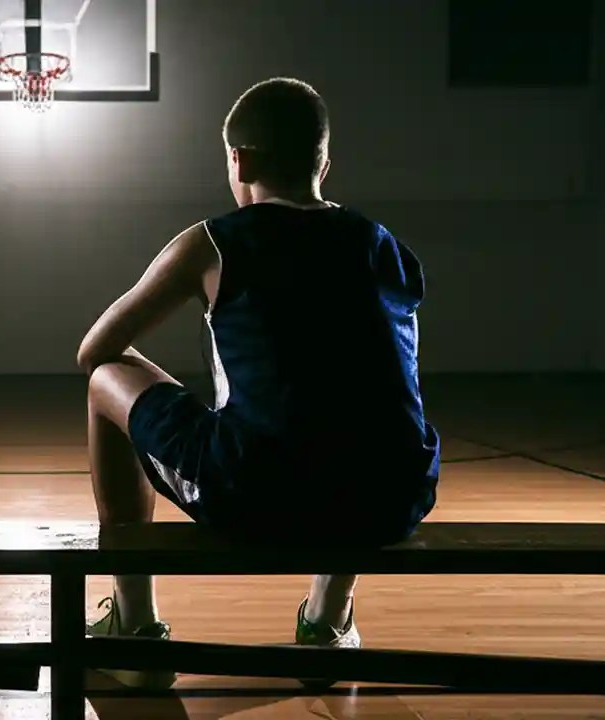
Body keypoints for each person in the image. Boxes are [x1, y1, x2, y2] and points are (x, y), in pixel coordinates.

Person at [75, 77, 441, 689]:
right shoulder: (386, 247)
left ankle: (136, 632)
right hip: (392, 498)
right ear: (323, 161)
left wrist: (174, 397)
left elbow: (96, 350)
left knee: (106, 381)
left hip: (260, 491)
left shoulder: (213, 241)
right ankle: (326, 625)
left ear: (238, 160)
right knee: (357, 420)